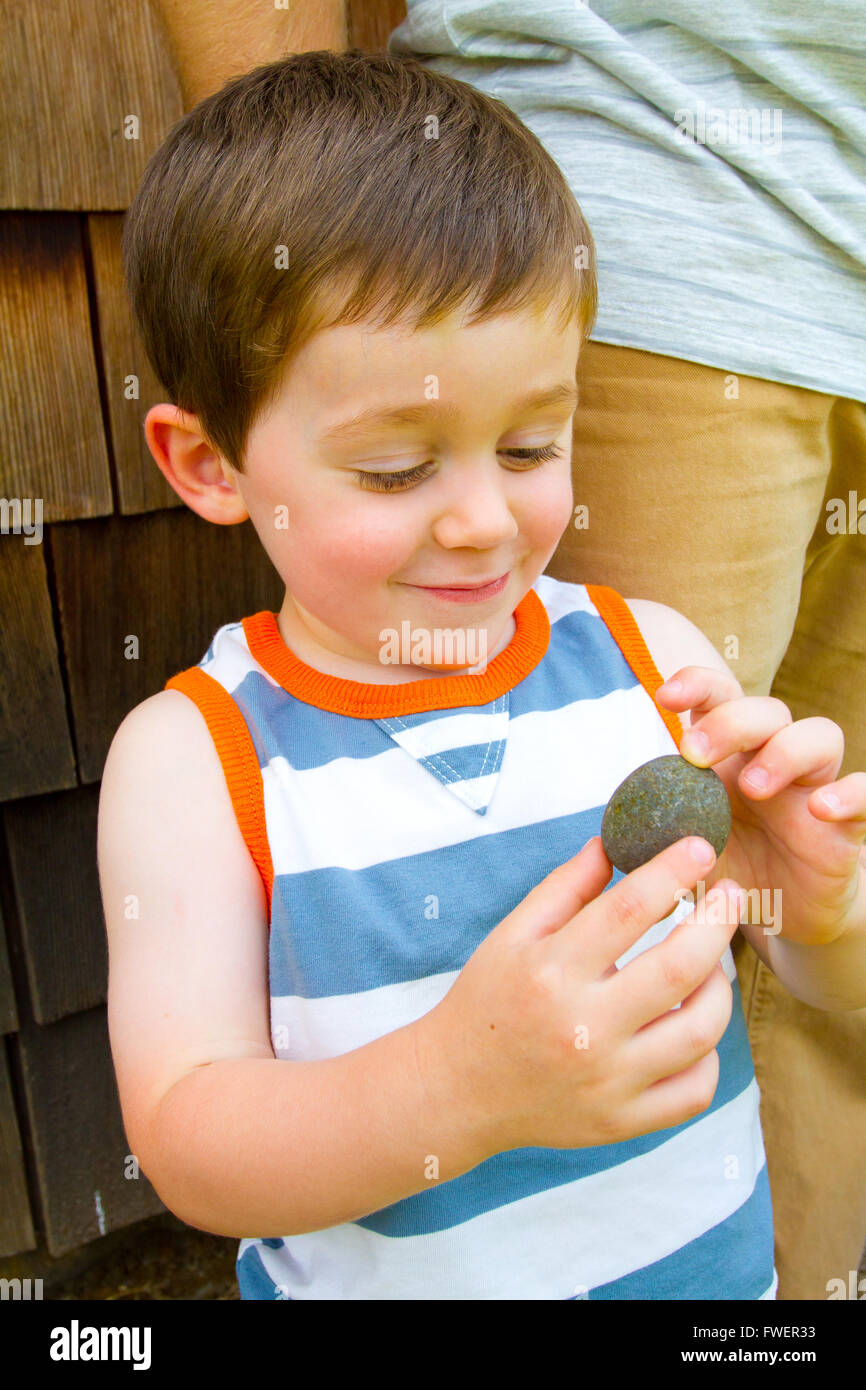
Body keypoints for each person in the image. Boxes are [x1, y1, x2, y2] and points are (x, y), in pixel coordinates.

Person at [97, 49, 866, 1301]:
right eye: (396, 468)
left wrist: (817, 908)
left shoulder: (650, 664)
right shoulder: (198, 761)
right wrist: (459, 1090)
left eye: (529, 444)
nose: (480, 522)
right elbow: (192, 1140)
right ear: (211, 465)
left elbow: (831, 989)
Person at [387, 0, 866, 1301]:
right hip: (640, 238)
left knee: (806, 911)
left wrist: (824, 919)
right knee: (571, 906)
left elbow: (823, 957)